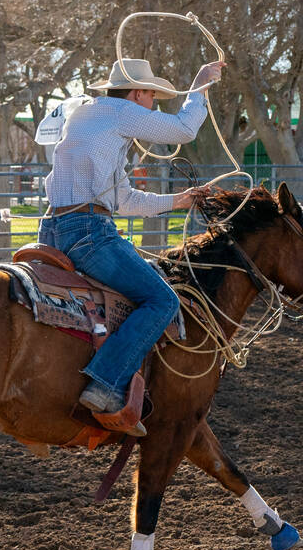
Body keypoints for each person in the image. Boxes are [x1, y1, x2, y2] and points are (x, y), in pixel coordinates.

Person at [39, 57, 223, 432]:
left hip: (52, 229)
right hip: (88, 232)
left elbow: (121, 201)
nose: (153, 105)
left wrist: (176, 201)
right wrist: (200, 85)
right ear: (137, 93)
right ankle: (105, 385)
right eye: (152, 97)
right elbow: (185, 129)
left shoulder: (88, 115)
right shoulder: (122, 111)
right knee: (162, 300)